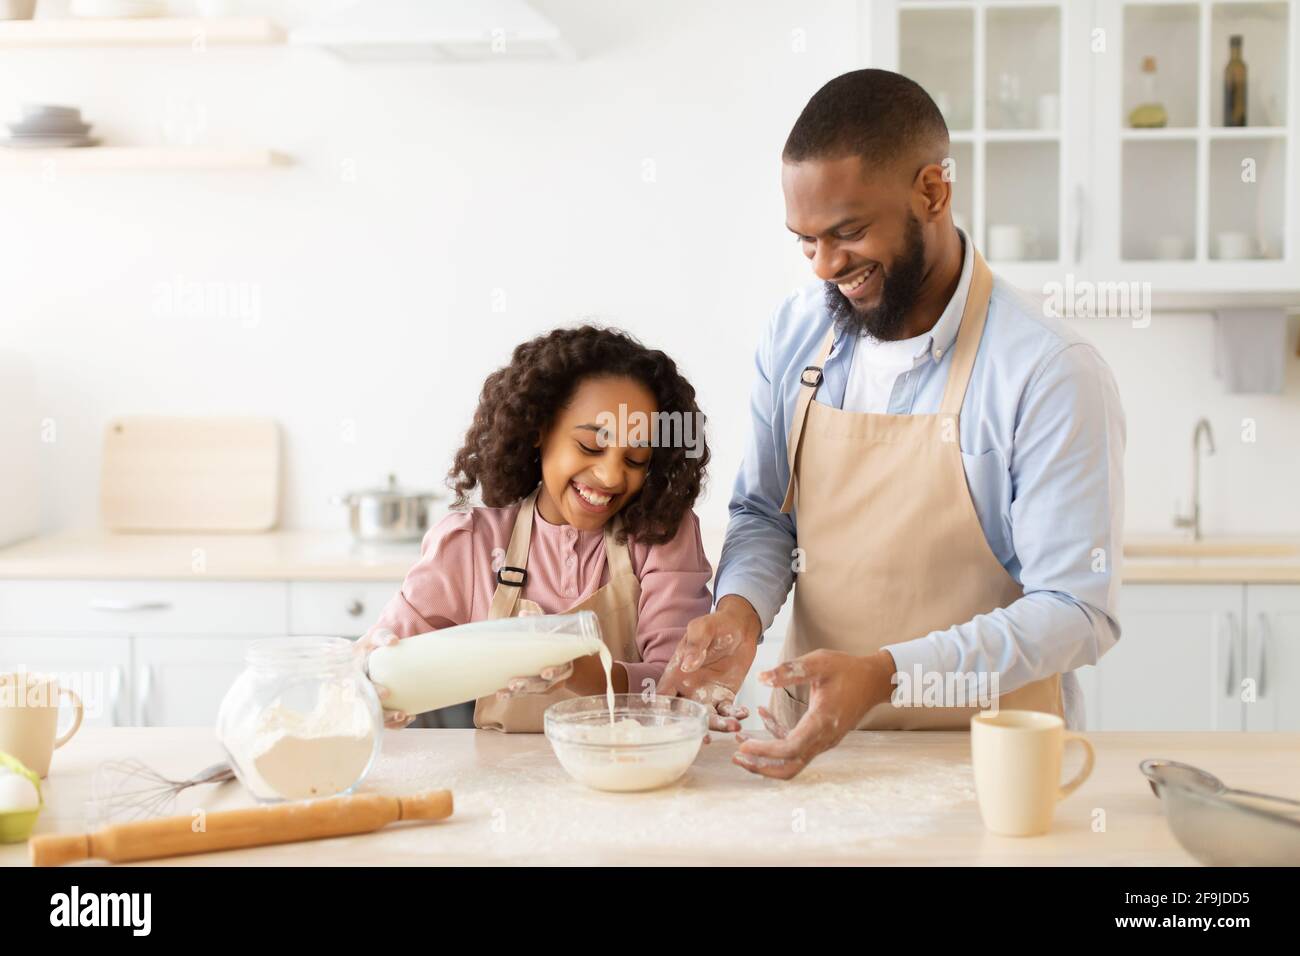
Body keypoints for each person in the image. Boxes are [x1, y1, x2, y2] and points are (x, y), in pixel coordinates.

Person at [658, 69, 1125, 778]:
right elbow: (764, 515)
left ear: (934, 191)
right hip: (809, 755)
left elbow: (1075, 608)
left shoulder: (1048, 370)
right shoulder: (794, 337)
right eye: (805, 241)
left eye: (847, 233)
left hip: (991, 764)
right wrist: (741, 614)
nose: (823, 268)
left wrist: (889, 672)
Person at [360, 325, 734, 733]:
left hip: (632, 779)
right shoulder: (470, 545)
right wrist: (371, 684)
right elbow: (381, 655)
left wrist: (577, 670)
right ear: (539, 430)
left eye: (635, 459)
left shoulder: (660, 538)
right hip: (507, 786)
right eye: (590, 447)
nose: (610, 476)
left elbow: (677, 686)